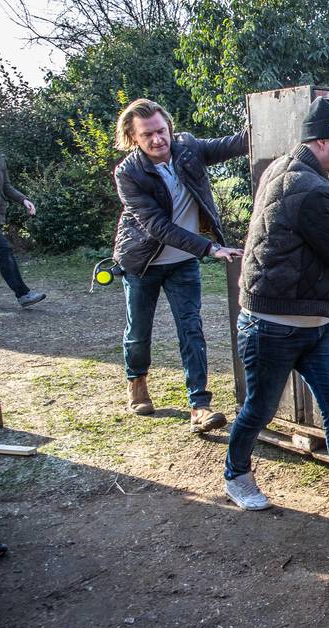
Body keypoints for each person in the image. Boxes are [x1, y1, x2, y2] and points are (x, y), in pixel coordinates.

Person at [223, 97, 329, 533]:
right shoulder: (313, 190)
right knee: (259, 410)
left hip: (310, 322)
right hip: (273, 324)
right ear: (321, 142)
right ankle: (235, 474)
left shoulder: (285, 168)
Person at [112, 98, 246, 431]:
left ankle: (199, 406)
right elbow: (156, 226)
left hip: (184, 261)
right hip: (142, 262)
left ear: (169, 127)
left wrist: (290, 115)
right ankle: (137, 381)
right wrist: (210, 247)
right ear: (133, 137)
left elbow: (236, 143)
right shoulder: (128, 172)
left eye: (161, 131)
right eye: (148, 135)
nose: (157, 139)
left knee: (191, 329)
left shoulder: (188, 147)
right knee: (139, 332)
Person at [0, 147, 46, 307]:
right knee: (4, 249)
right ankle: (23, 294)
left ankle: (23, 294)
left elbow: (6, 187)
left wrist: (24, 200)